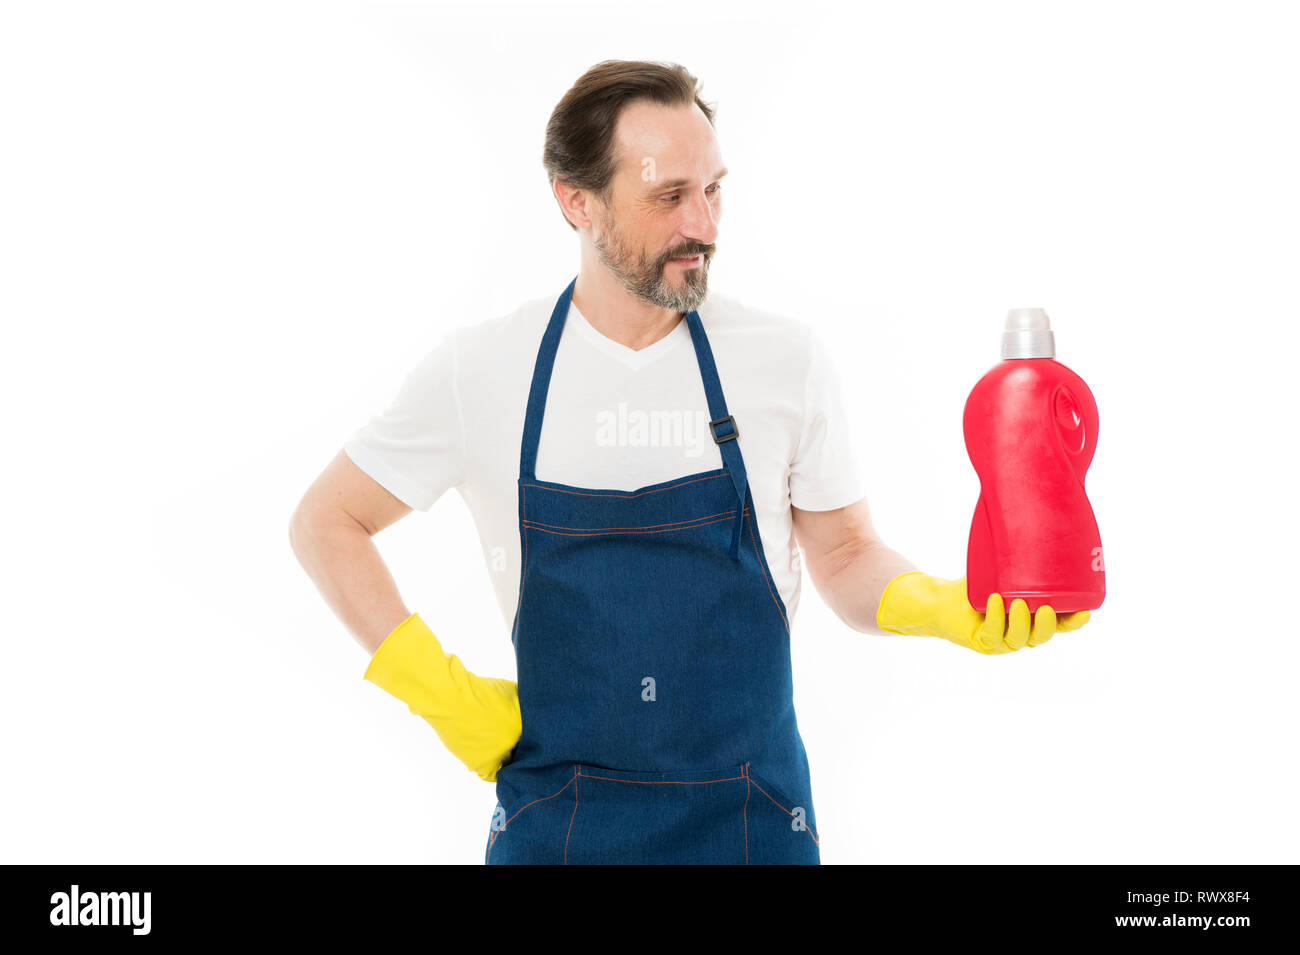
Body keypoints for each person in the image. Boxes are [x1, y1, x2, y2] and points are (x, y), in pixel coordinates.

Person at [288, 59, 1091, 865]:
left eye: (713, 190)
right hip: (557, 827)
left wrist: (940, 606)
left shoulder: (783, 360)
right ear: (578, 201)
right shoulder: (484, 370)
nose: (704, 224)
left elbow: (844, 555)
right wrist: (441, 692)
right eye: (669, 196)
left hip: (752, 822)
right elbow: (327, 520)